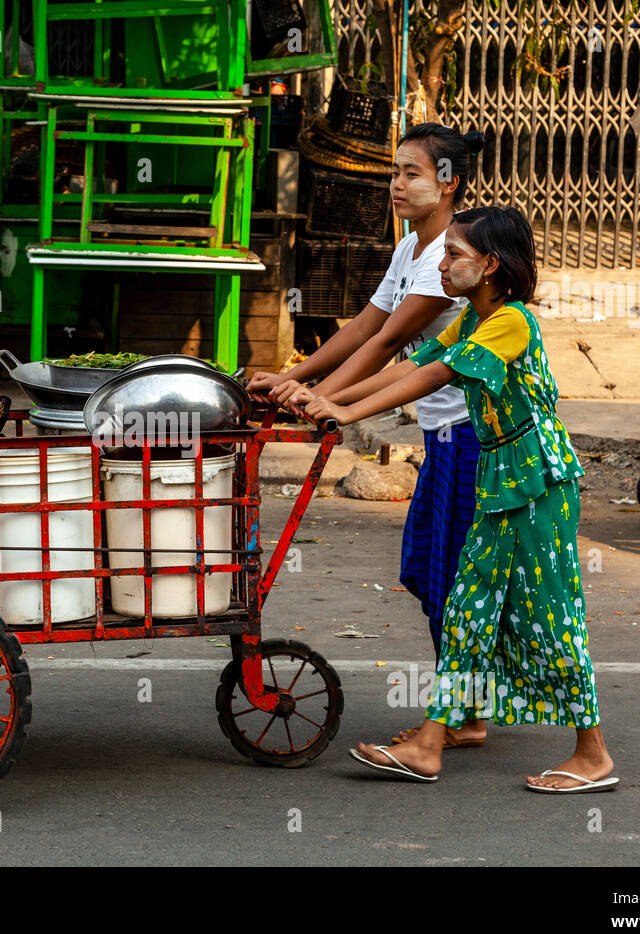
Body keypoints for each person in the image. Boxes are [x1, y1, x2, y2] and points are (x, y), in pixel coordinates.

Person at [291, 206, 618, 793]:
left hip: (537, 483)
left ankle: (592, 754)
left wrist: (343, 411)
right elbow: (407, 368)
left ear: (490, 265)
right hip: (501, 477)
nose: (441, 264)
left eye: (454, 256)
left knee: (549, 614)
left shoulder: (512, 322)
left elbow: (435, 377)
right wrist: (323, 398)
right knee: (467, 607)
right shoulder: (471, 317)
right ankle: (433, 742)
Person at [248, 123, 490, 750]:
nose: (396, 185)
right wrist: (294, 378)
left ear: (448, 182)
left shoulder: (450, 257)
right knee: (429, 569)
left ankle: (462, 715)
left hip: (471, 435)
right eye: (395, 172)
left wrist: (329, 400)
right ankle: (468, 705)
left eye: (411, 173)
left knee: (451, 576)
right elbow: (363, 326)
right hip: (439, 435)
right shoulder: (411, 247)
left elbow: (389, 347)